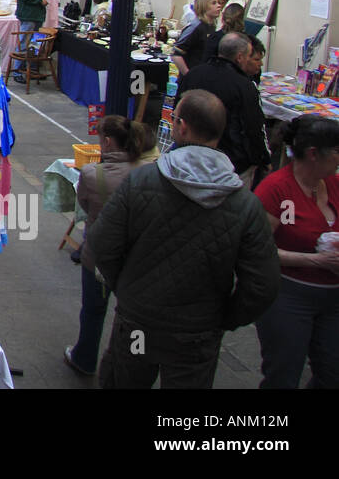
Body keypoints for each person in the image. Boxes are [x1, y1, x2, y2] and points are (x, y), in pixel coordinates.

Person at [89, 89, 280, 389]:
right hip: (196, 336)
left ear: (182, 127)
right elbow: (263, 284)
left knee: (126, 378)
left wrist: (125, 288)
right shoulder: (245, 203)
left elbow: (101, 244)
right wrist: (223, 318)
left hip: (139, 327)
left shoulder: (141, 181)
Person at [64, 115, 155, 377]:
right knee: (129, 313)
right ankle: (124, 364)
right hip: (135, 253)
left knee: (93, 309)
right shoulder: (147, 172)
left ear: (106, 141)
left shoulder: (93, 174)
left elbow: (84, 206)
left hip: (99, 253)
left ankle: (85, 357)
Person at [253, 116, 339, 388]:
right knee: (283, 376)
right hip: (288, 295)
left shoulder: (334, 184)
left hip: (333, 298)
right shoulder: (276, 189)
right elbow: (257, 250)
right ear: (314, 154)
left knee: (332, 373)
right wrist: (315, 260)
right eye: (337, 151)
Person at [178, 32, 269, 178]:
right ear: (240, 57)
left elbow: (178, 111)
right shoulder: (244, 86)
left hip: (187, 157)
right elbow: (253, 127)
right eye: (249, 56)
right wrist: (263, 158)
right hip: (230, 164)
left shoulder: (193, 74)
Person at [13, 0, 54, 82]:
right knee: (24, 41)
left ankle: (29, 68)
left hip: (36, 14)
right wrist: (39, 0)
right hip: (28, 14)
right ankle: (17, 71)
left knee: (34, 43)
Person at [172, 0, 223, 76]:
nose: (219, 6)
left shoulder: (211, 26)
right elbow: (176, 54)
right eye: (214, 3)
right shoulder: (195, 27)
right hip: (192, 77)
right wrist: (188, 75)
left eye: (218, 3)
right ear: (204, 7)